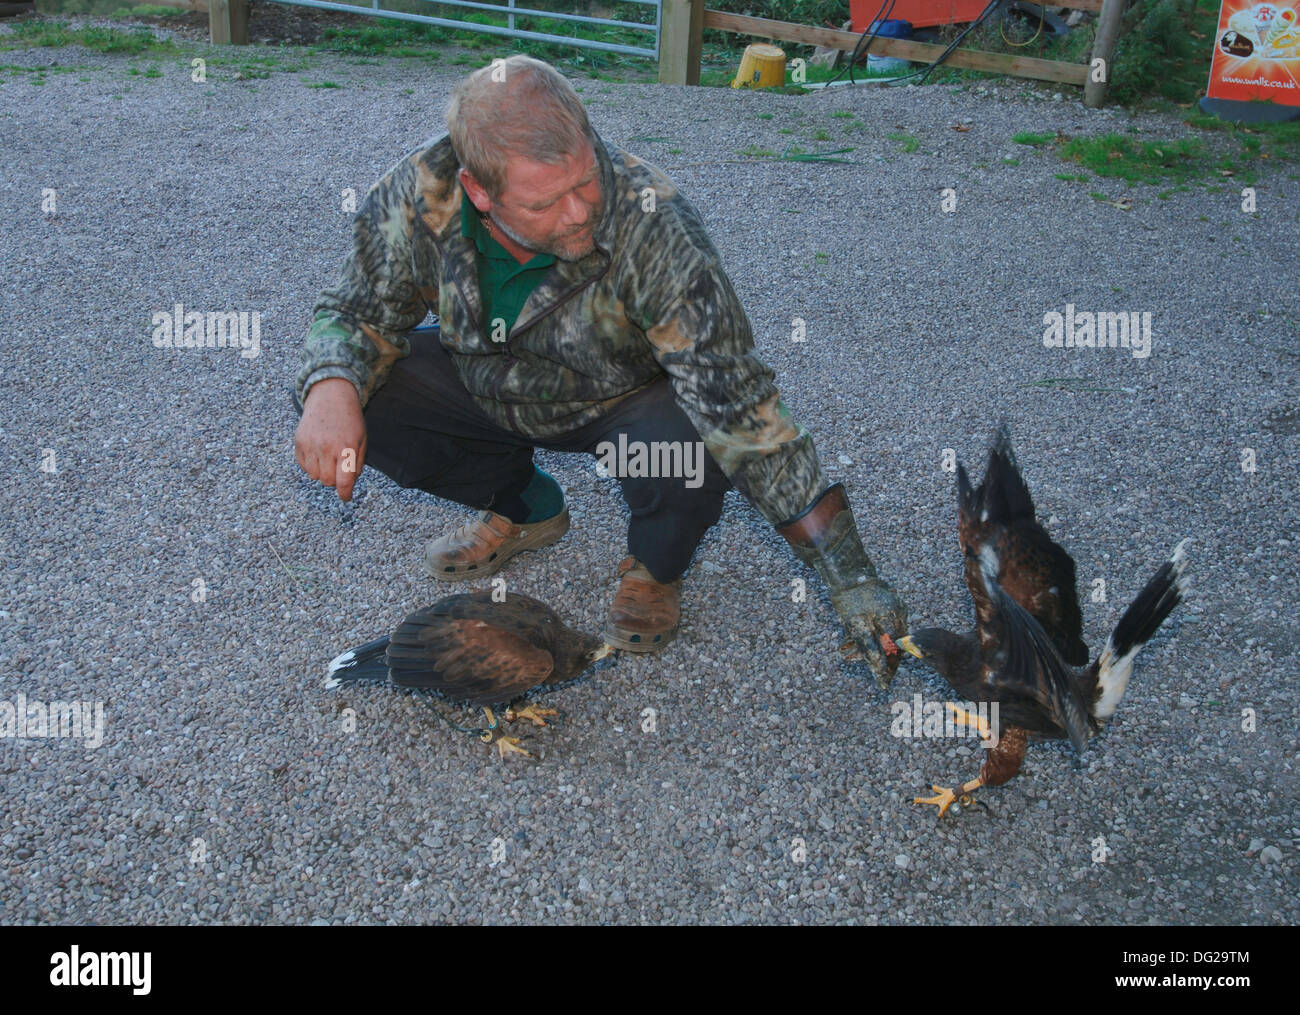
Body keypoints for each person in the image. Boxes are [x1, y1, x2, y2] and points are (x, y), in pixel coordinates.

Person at [292, 55, 907, 681]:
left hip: (623, 405)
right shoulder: (421, 191)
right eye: (546, 202)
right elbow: (357, 310)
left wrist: (850, 575)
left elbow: (735, 400)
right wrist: (330, 386)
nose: (581, 212)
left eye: (586, 181)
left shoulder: (653, 222)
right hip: (486, 386)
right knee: (351, 391)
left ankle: (654, 568)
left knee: (691, 447)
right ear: (480, 190)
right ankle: (526, 506)